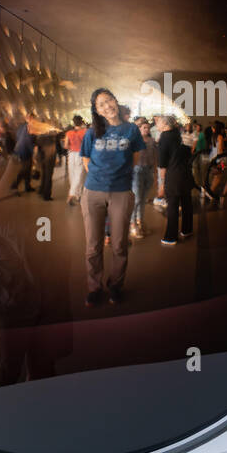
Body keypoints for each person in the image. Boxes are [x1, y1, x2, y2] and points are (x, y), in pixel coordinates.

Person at [80, 88, 144, 305]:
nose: (107, 106)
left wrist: (118, 178)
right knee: (93, 245)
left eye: (109, 100)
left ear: (116, 101)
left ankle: (116, 285)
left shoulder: (131, 130)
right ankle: (94, 287)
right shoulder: (92, 132)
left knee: (119, 244)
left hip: (121, 192)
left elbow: (135, 157)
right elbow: (86, 160)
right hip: (93, 192)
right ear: (97, 111)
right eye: (101, 105)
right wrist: (102, 179)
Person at [157, 114, 194, 244]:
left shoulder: (164, 138)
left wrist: (162, 182)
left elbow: (162, 164)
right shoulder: (179, 135)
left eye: (159, 122)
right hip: (186, 174)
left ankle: (171, 237)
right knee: (186, 203)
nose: (157, 124)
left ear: (166, 124)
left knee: (172, 206)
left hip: (173, 177)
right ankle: (187, 230)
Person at [130, 119, 158, 238]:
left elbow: (155, 156)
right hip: (136, 171)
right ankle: (132, 224)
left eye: (148, 128)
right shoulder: (134, 141)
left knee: (143, 198)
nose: (146, 130)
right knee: (136, 198)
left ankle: (140, 221)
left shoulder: (152, 141)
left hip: (148, 170)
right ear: (139, 129)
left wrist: (155, 171)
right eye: (144, 128)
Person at [64, 115, 87, 205]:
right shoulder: (85, 132)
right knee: (80, 175)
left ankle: (78, 194)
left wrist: (72, 147)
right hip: (81, 155)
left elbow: (66, 146)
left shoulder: (69, 133)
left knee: (72, 175)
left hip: (71, 155)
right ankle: (72, 194)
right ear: (81, 122)